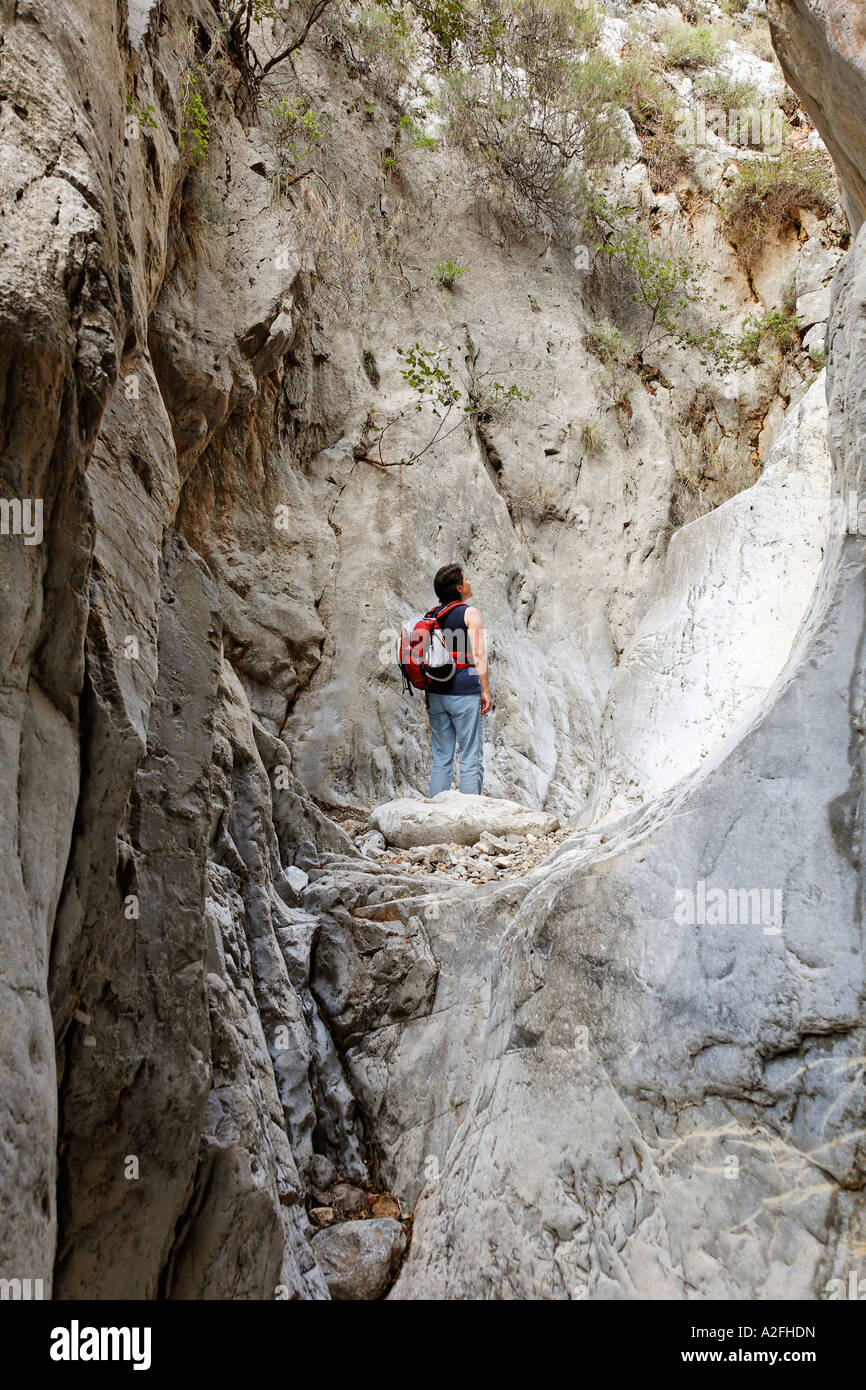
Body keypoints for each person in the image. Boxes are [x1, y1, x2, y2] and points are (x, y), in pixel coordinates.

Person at [426, 564, 492, 798]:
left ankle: (436, 814)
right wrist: (485, 690)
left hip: (435, 694)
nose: (470, 582)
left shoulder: (432, 615)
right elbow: (479, 655)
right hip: (464, 693)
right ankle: (470, 818)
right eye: (466, 579)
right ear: (458, 588)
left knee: (441, 758)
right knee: (470, 757)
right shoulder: (469, 613)